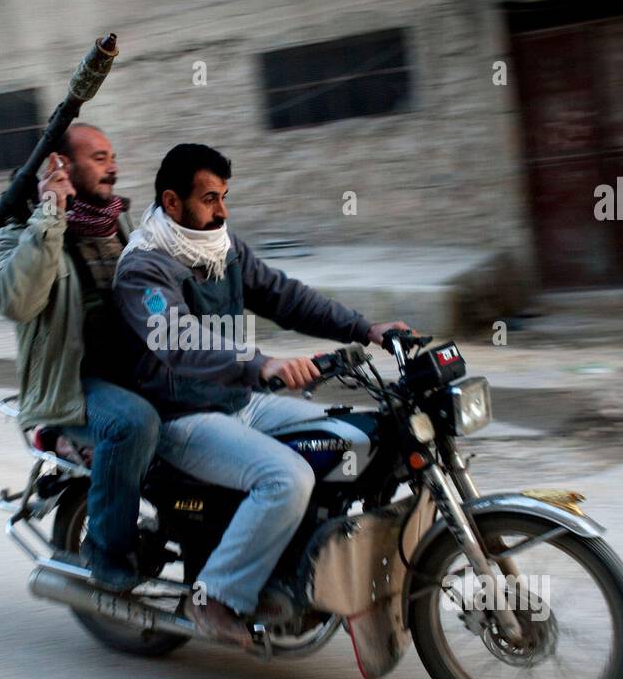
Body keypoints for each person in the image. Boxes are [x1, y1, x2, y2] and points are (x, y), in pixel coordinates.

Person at [114, 143, 410, 647]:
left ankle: (301, 565)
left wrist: (367, 329)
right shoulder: (144, 268)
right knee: (286, 477)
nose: (222, 210)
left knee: (348, 439)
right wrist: (261, 364)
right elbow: (178, 340)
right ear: (171, 201)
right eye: (210, 198)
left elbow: (285, 297)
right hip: (181, 416)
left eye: (224, 197)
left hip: (238, 401)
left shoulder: (221, 249)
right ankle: (217, 596)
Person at [0, 124, 158, 592]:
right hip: (74, 387)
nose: (114, 168)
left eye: (113, 157)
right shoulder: (16, 238)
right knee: (132, 423)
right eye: (100, 158)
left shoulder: (114, 224)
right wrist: (50, 214)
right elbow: (15, 300)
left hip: (132, 371)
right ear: (58, 167)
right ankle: (106, 551)